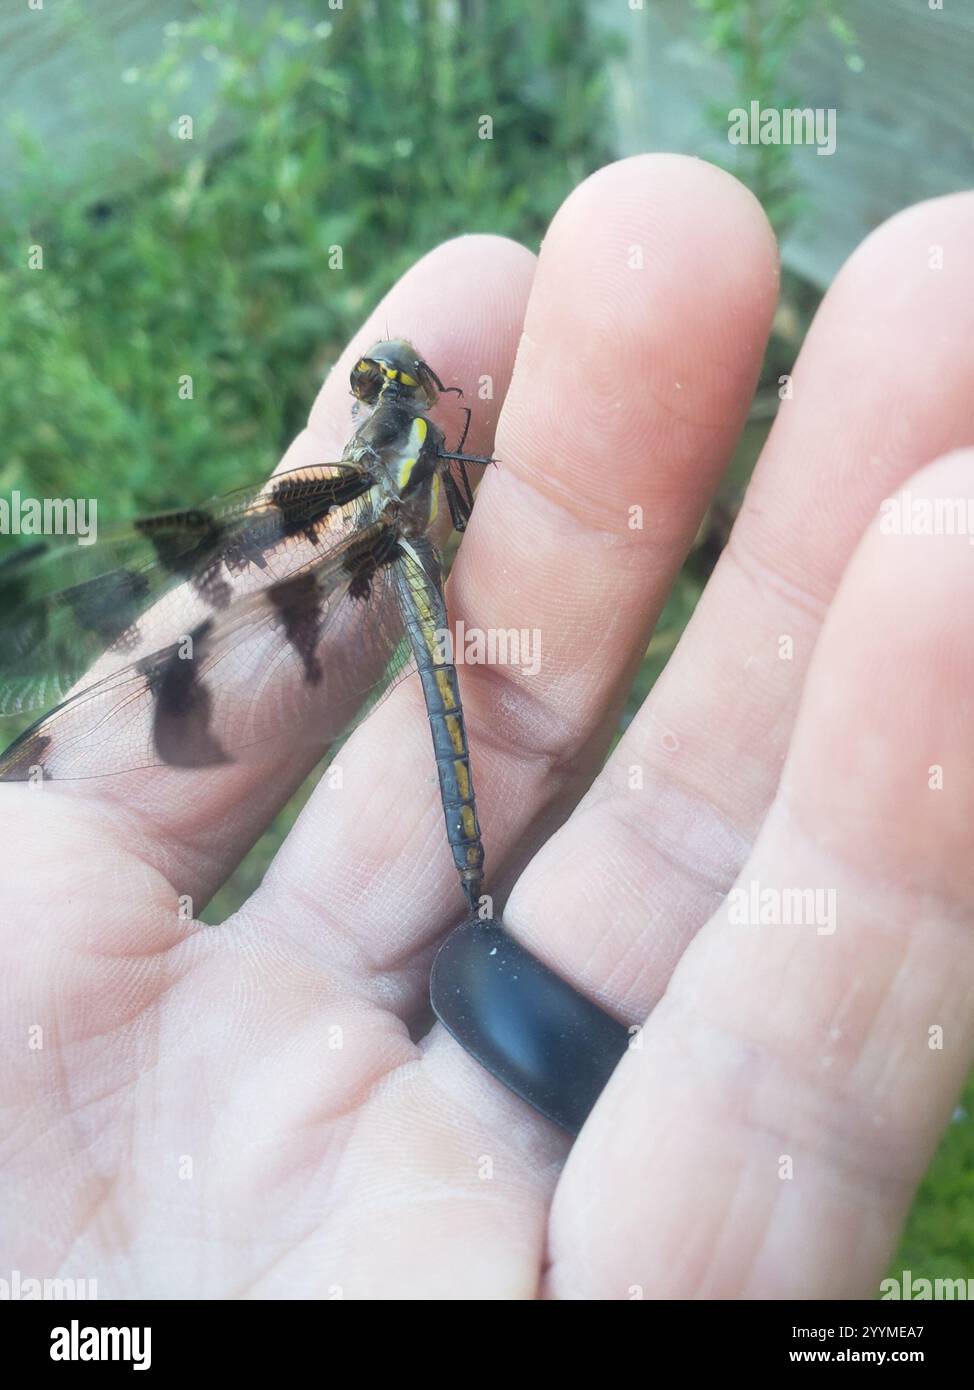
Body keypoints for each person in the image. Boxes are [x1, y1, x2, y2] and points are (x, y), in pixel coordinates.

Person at [2, 154, 971, 1299]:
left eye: (393, 381)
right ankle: (482, 903)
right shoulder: (385, 462)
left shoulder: (372, 463)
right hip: (409, 570)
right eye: (390, 382)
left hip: (406, 572)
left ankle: (486, 922)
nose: (396, 385)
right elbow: (448, 493)